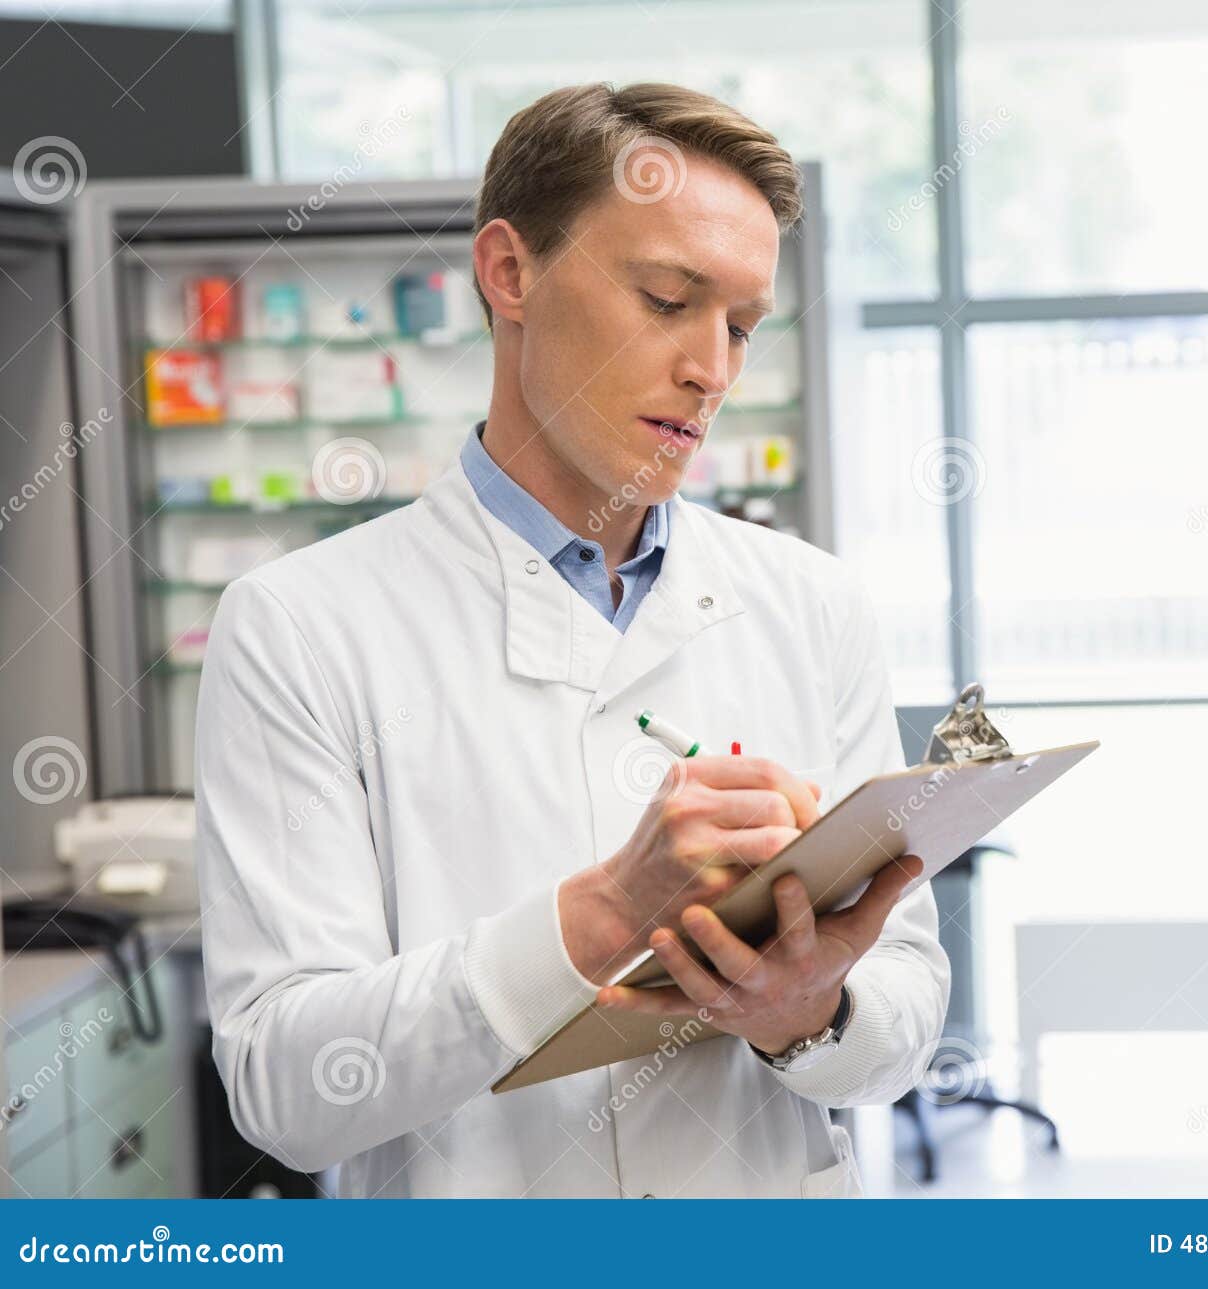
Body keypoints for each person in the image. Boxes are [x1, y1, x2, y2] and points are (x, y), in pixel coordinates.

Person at [195, 81, 950, 1198]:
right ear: (509, 272)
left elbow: (908, 1010)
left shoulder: (813, 604)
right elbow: (288, 1089)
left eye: (741, 324)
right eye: (665, 299)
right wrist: (600, 917)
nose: (714, 368)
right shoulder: (300, 626)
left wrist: (810, 1009)